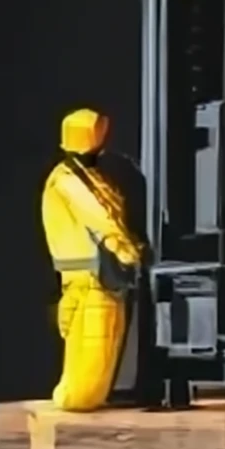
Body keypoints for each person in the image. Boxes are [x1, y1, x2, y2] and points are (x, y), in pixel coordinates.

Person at [41, 108, 144, 411]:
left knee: (106, 363)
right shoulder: (66, 181)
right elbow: (100, 220)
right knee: (82, 393)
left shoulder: (95, 178)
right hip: (87, 286)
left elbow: (114, 218)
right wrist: (128, 252)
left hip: (106, 282)